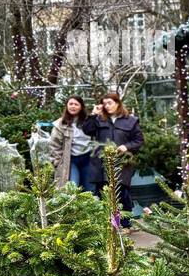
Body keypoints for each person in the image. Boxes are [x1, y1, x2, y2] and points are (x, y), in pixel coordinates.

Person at [82, 91, 143, 221]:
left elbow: (138, 140)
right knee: (103, 193)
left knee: (122, 193)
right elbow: (87, 130)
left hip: (122, 163)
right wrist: (93, 114)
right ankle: (108, 224)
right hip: (100, 163)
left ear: (118, 103)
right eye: (104, 104)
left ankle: (125, 224)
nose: (107, 106)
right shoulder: (98, 119)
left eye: (110, 103)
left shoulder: (130, 120)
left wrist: (126, 147)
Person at [49, 96, 99, 194]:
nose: (73, 106)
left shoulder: (88, 121)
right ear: (67, 106)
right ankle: (72, 209)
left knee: (90, 189)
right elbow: (54, 145)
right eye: (70, 104)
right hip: (71, 160)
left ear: (81, 107)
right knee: (72, 187)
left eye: (76, 104)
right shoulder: (60, 124)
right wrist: (58, 162)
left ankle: (90, 209)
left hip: (88, 158)